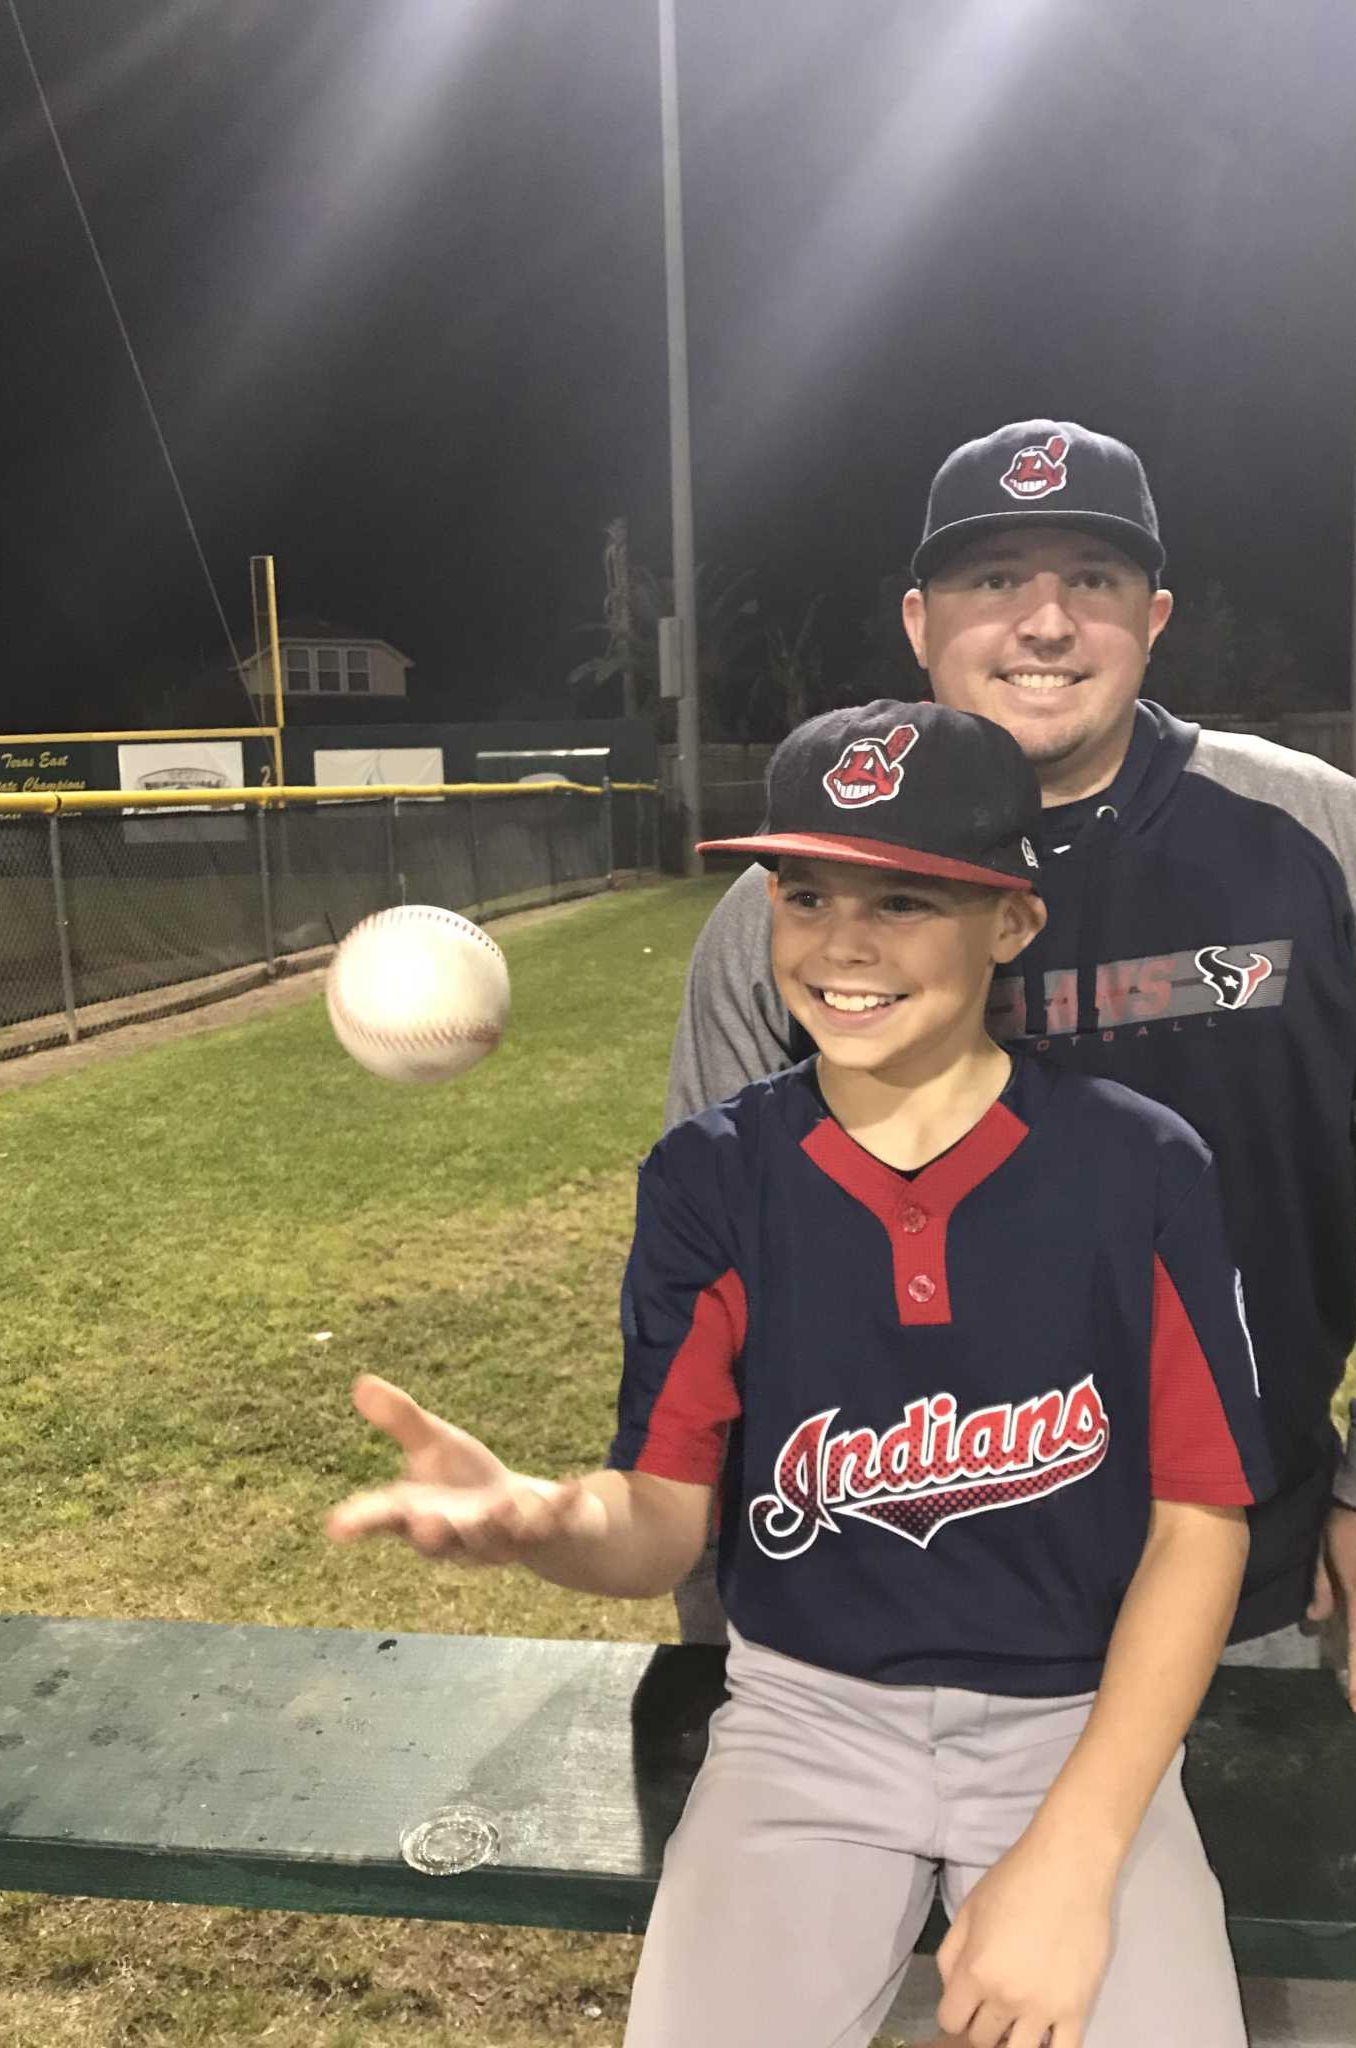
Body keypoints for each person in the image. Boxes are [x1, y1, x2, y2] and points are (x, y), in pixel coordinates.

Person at [664, 418, 1356, 2047]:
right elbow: (727, 1284)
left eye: (1092, 577)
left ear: (1156, 615)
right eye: (992, 578)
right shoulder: (792, 924)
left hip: (1250, 1580)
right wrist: (724, 1602)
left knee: (1279, 2005)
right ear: (918, 622)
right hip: (899, 1612)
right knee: (915, 2011)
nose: (1043, 621)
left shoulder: (1326, 844)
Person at [329, 699, 1275, 2048]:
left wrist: (1073, 1861)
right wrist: (538, 1523)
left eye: (906, 899)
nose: (842, 943)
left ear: (1011, 918)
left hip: (1081, 1725)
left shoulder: (1140, 1167)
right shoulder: (716, 1176)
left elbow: (1199, 1525)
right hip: (803, 1726)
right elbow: (659, 1523)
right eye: (806, 891)